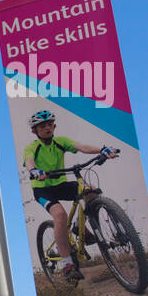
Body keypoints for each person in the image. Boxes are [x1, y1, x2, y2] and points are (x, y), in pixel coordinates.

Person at [22, 109, 119, 283]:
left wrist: (102, 150)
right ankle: (67, 264)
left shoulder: (61, 142)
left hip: (60, 185)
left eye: (50, 124)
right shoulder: (31, 148)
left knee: (91, 191)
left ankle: (79, 225)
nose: (47, 128)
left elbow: (81, 147)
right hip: (43, 189)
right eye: (42, 126)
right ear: (34, 131)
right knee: (60, 215)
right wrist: (34, 170)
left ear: (54, 126)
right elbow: (29, 161)